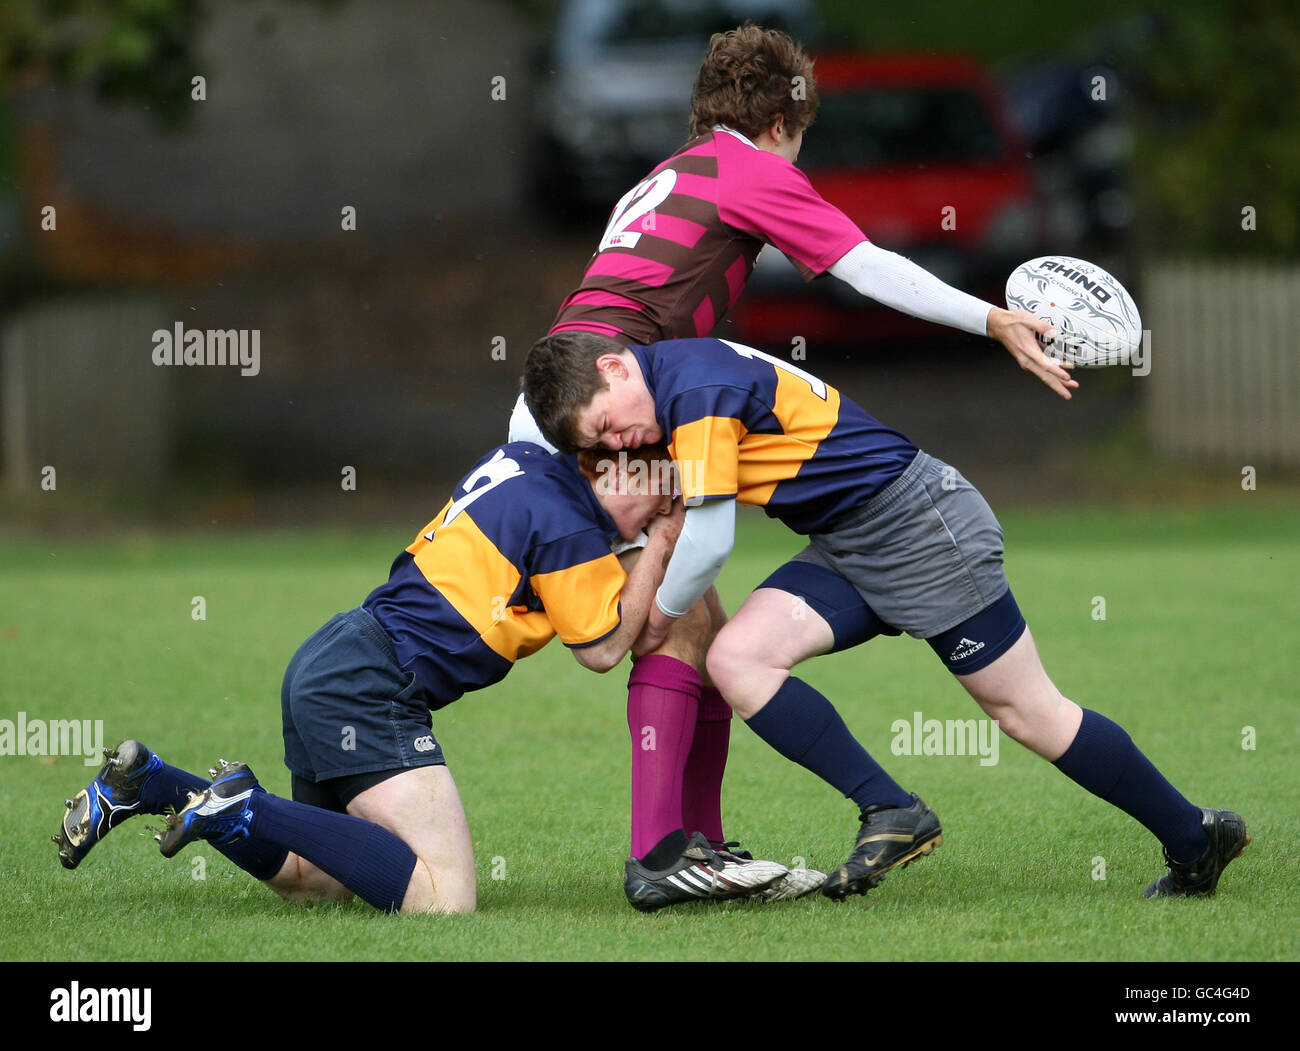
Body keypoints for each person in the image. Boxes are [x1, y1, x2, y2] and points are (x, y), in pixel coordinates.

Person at [510, 23, 1076, 898]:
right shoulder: (754, 169)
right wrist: (992, 318)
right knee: (680, 612)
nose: (800, 152)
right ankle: (664, 854)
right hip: (610, 404)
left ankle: (695, 844)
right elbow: (870, 266)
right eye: (803, 132)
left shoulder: (671, 172)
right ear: (782, 118)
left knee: (694, 614)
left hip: (564, 387)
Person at [521, 331, 1249, 900]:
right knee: (736, 658)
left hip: (922, 524)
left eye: (608, 425)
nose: (619, 443)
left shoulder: (696, 386)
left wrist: (652, 619)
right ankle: (893, 809)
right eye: (601, 443)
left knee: (1029, 713)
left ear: (617, 369)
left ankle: (1194, 837)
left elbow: (710, 539)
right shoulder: (668, 384)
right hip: (846, 542)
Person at [52, 443, 791, 912]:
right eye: (652, 497)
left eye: (666, 507)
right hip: (370, 683)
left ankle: (154, 783)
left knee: (318, 879)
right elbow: (602, 650)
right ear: (604, 465)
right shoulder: (571, 525)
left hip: (327, 657)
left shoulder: (527, 462)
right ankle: (242, 803)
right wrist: (663, 544)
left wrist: (642, 531)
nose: (653, 515)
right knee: (445, 898)